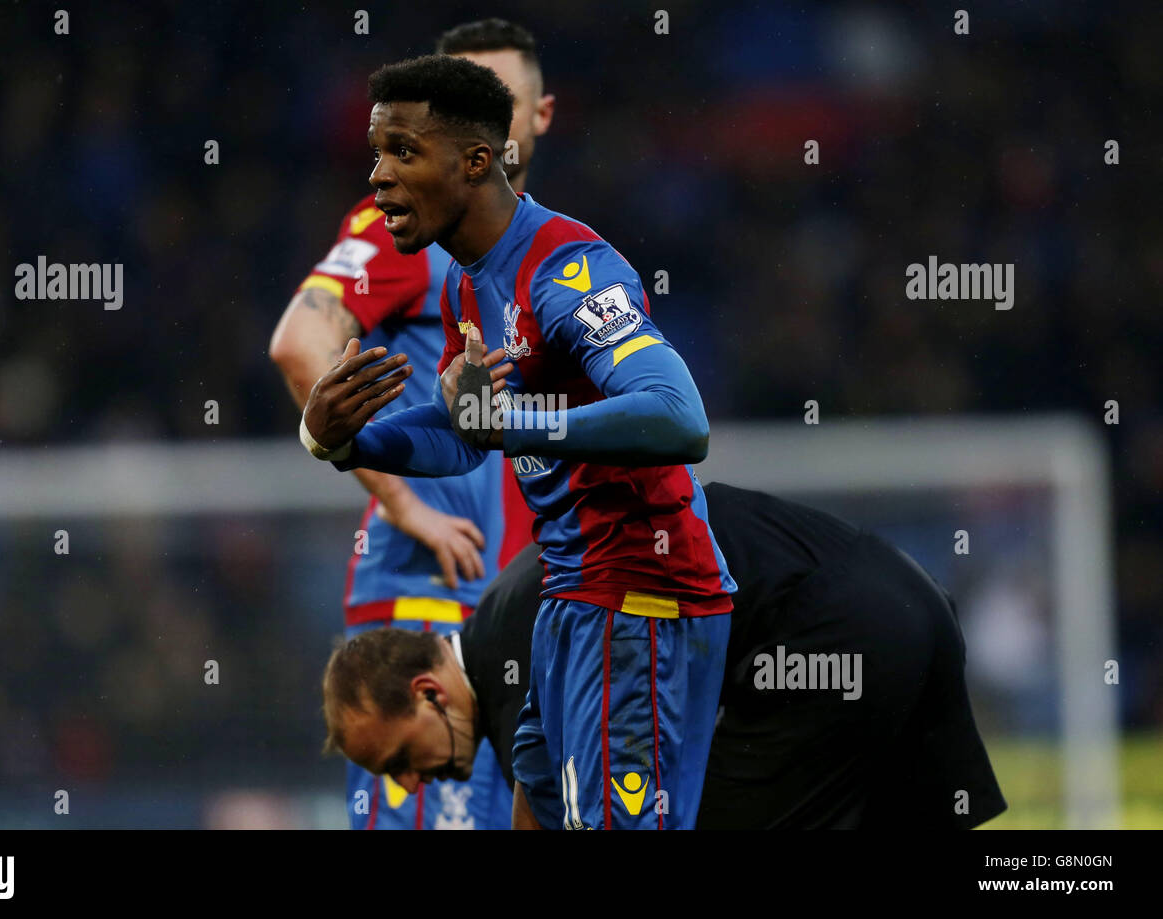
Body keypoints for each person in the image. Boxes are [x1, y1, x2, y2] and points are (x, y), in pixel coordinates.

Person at [300, 54, 736, 829]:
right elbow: (460, 440)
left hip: (639, 595)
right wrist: (347, 442)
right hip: (567, 600)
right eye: (376, 153)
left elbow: (678, 415)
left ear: (474, 161)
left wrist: (518, 424)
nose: (377, 177)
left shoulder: (566, 267)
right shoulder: (467, 282)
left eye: (402, 151)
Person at [322, 483, 1009, 829]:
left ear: (428, 692)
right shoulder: (516, 617)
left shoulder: (522, 641)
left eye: (399, 759)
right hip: (911, 601)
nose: (412, 785)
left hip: (836, 632)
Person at [268, 20, 553, 830]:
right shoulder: (405, 227)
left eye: (500, 101)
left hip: (505, 614)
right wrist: (404, 504)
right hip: (429, 600)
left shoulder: (544, 254)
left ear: (538, 117)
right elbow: (299, 341)